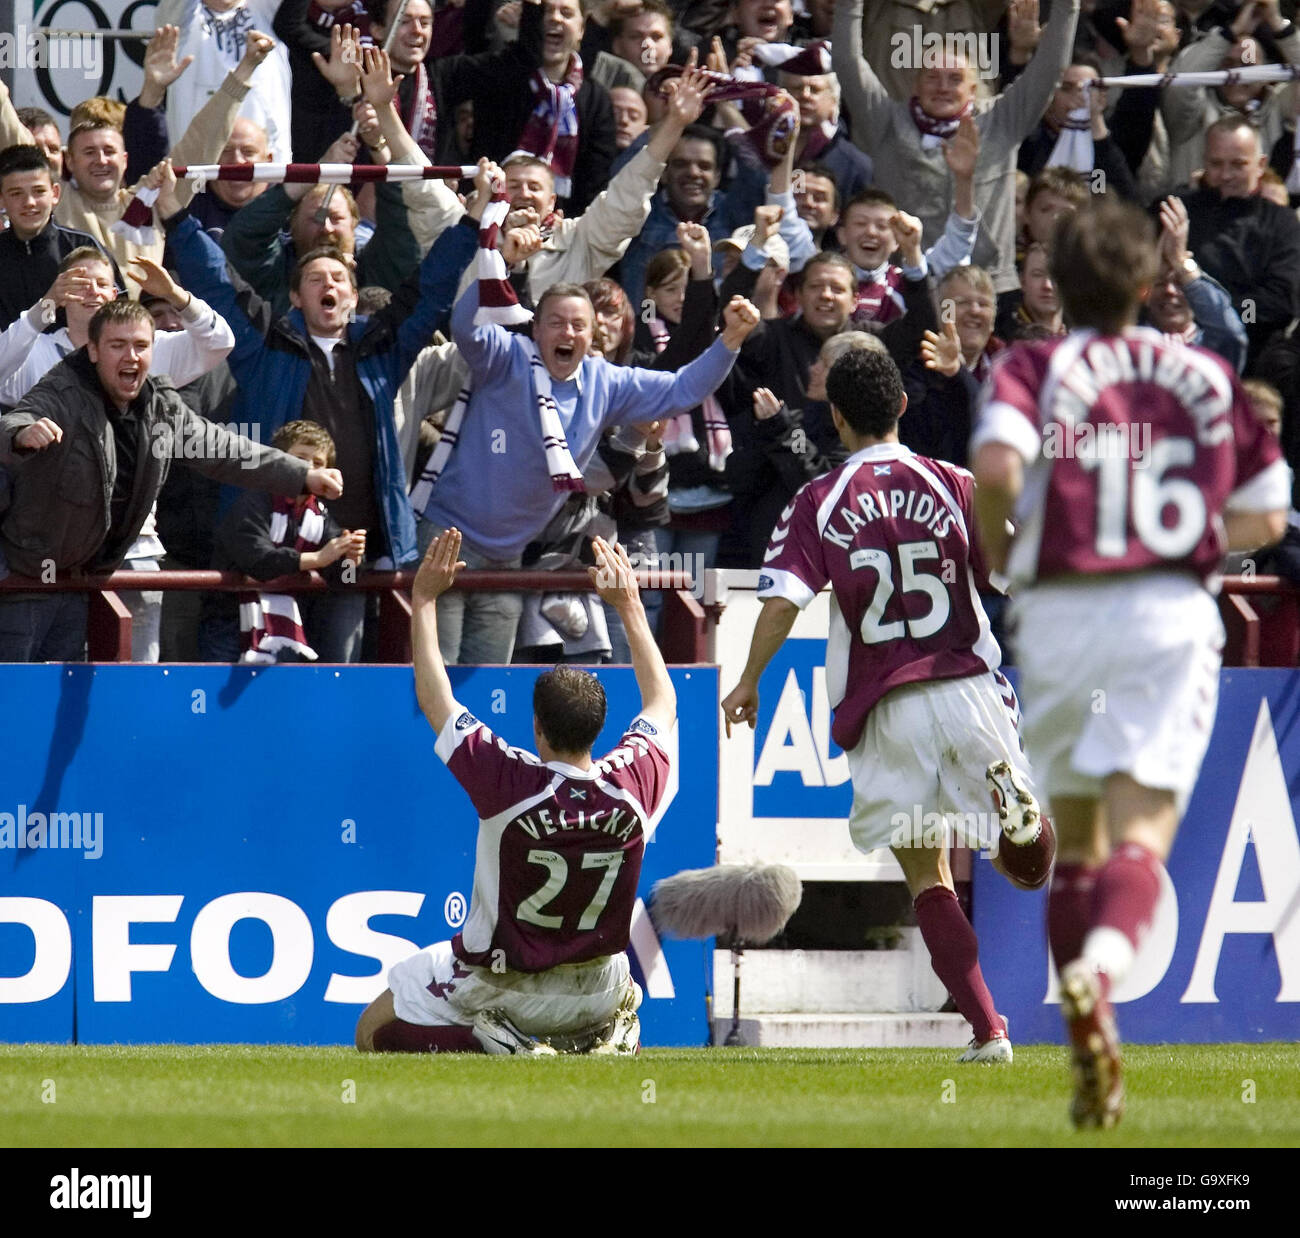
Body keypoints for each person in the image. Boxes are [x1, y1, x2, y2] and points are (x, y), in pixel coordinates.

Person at [969, 198, 1291, 1128]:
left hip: (1063, 613)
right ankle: (1100, 969)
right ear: (1151, 285)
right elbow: (1268, 516)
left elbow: (995, 472)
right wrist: (1182, 536)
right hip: (1165, 613)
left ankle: (1082, 1011)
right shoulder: (1199, 373)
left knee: (1078, 838)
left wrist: (1006, 556)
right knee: (1142, 831)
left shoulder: (1034, 365)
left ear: (1056, 284)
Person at [720, 346, 1058, 1066]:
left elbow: (780, 600)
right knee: (1023, 867)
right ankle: (1015, 806)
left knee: (925, 875)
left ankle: (989, 1032)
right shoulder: (953, 483)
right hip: (969, 687)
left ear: (835, 418)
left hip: (885, 706)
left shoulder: (818, 500)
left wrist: (749, 679)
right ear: (903, 405)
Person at [354, 532, 676, 1055]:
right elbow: (662, 699)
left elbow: (434, 696)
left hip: (507, 984)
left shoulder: (510, 782)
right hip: (600, 986)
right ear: (599, 728)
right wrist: (630, 605)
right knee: (606, 987)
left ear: (537, 728)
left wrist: (425, 598)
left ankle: (492, 1041)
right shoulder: (635, 781)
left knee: (372, 1029)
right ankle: (609, 1032)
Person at [416, 207, 761, 665]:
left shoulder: (606, 381)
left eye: (579, 325)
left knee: (486, 692)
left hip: (509, 559)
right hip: (449, 539)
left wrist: (730, 341)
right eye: (556, 322)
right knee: (433, 682)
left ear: (594, 333)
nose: (568, 332)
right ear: (535, 329)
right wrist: (503, 258)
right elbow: (466, 327)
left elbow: (682, 390)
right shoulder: (506, 357)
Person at [0, 299, 340, 662]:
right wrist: (21, 434)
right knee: (13, 695)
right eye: (118, 346)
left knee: (62, 699)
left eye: (141, 346)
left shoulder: (160, 406)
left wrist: (303, 474)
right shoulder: (63, 390)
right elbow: (16, 420)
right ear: (94, 351)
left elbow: (223, 450)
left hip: (83, 577)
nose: (131, 356)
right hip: (28, 576)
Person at [833, 0, 1079, 297]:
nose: (943, 87)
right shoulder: (885, 122)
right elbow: (847, 61)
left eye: (955, 79)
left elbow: (1051, 67)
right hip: (908, 285)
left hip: (990, 286)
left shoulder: (1001, 119)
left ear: (973, 90)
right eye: (932, 77)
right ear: (916, 85)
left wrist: (1068, 6)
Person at [200, 420, 367, 662]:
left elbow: (343, 581)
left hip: (285, 629)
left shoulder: (320, 515)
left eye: (318, 463)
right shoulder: (254, 500)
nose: (309, 468)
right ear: (280, 461)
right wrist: (318, 558)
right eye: (300, 459)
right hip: (229, 623)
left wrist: (351, 561)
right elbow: (258, 561)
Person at [0, 144, 118, 333]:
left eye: (39, 191)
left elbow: (118, 315)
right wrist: (51, 301)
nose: (29, 202)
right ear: (2, 199)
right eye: (16, 194)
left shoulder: (82, 247)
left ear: (55, 194)